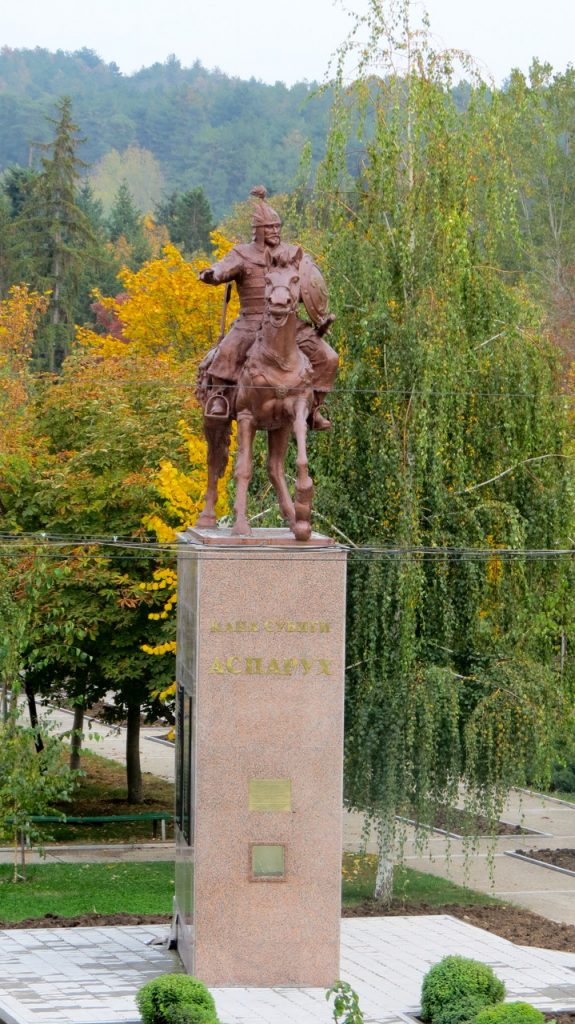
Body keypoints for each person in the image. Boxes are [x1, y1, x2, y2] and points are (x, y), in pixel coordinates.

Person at [197, 185, 338, 428]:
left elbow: (309, 280)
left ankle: (314, 409)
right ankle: (220, 398)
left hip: (288, 323)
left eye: (277, 227)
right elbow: (223, 268)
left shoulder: (293, 253)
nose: (275, 231)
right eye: (269, 228)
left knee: (329, 357)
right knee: (227, 352)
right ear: (257, 231)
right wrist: (212, 273)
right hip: (251, 322)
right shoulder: (242, 253)